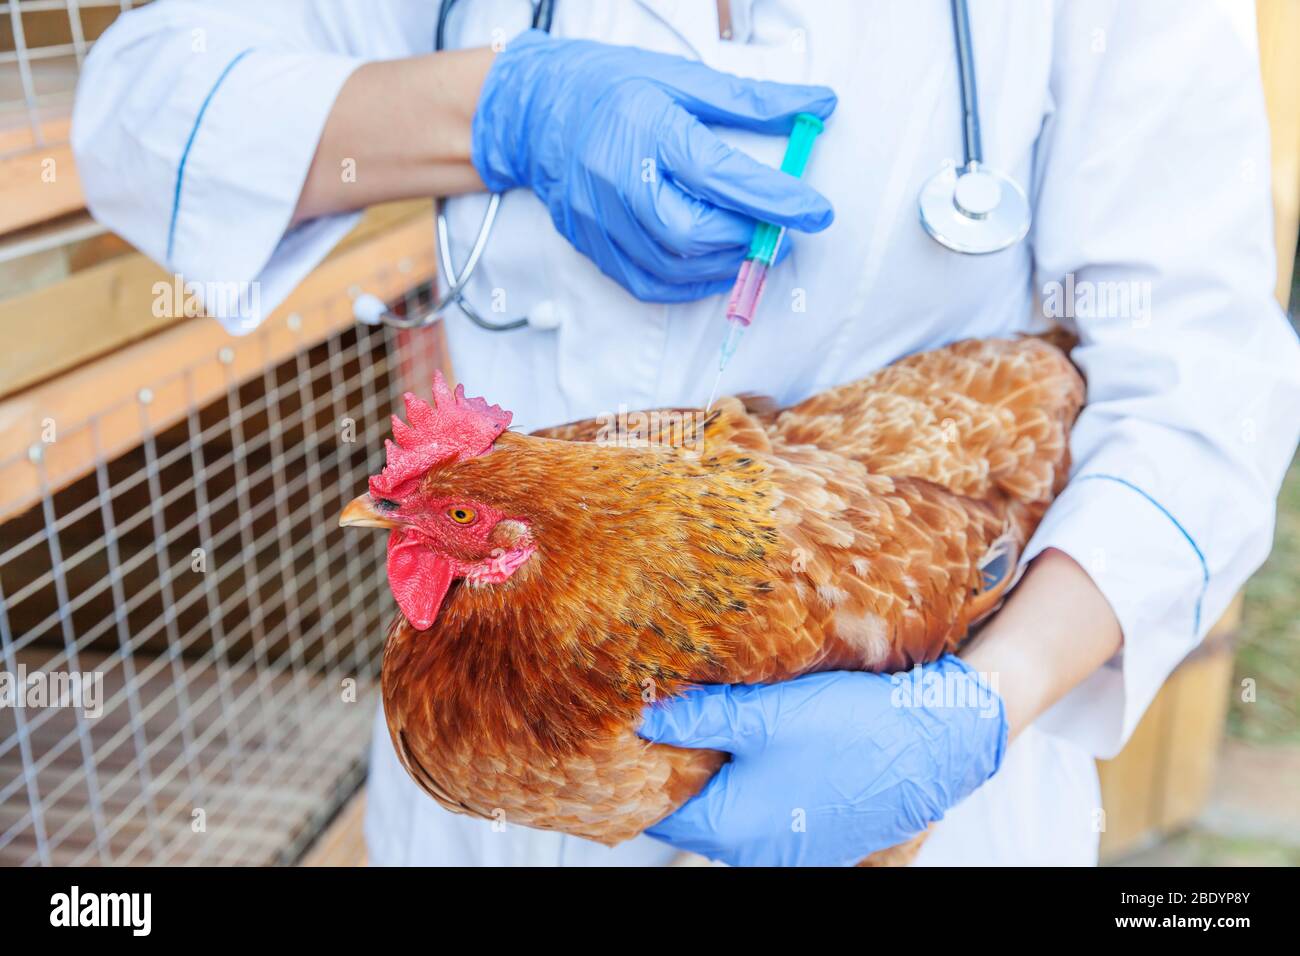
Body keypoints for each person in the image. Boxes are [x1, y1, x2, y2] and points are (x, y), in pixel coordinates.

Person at [73, 0, 1300, 866]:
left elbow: (1200, 373)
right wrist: (495, 103)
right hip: (507, 781)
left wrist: (982, 700)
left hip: (932, 712)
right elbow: (145, 103)